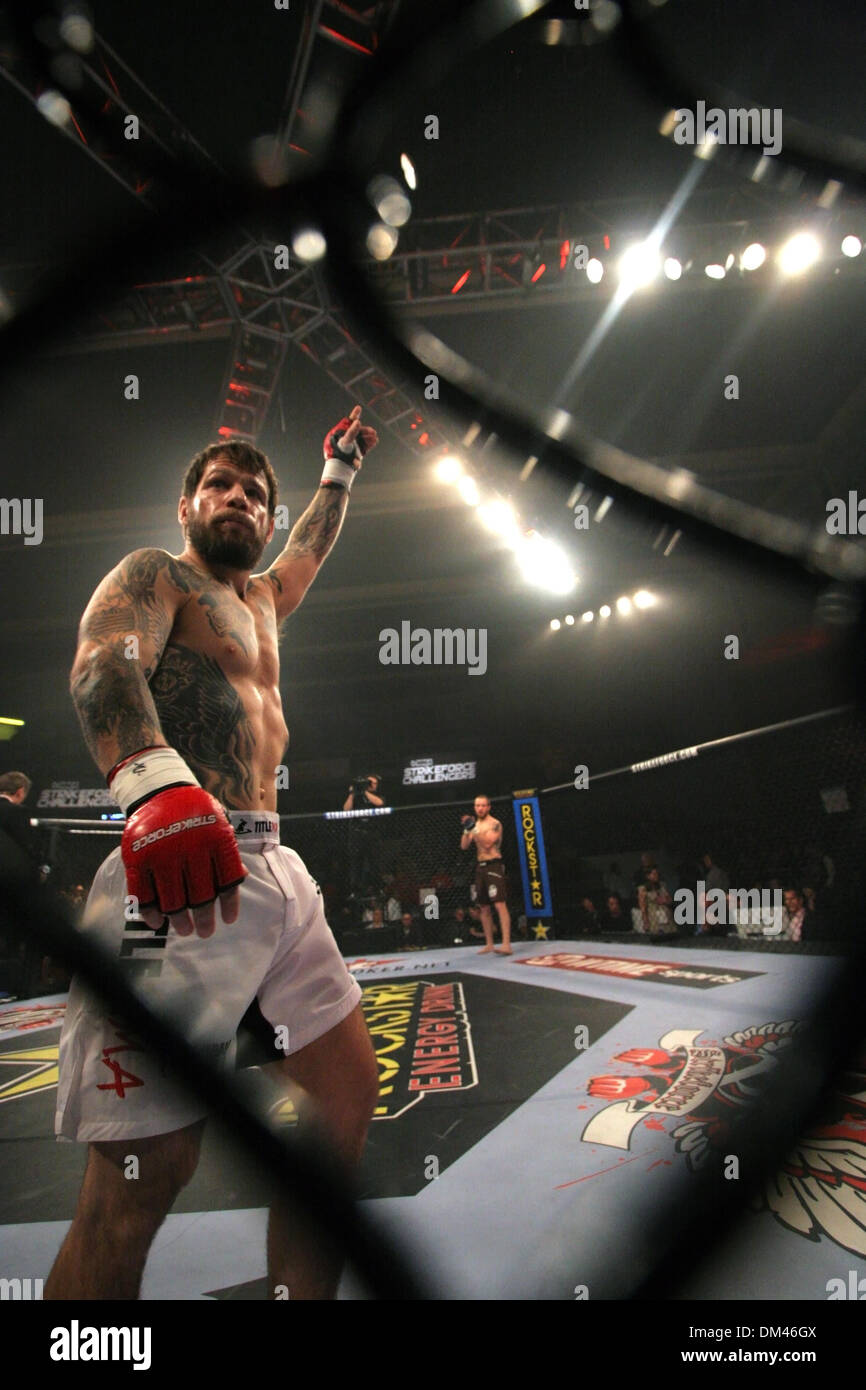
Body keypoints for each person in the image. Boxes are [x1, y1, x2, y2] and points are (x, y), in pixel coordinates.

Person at [47, 408, 381, 1302]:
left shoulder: (266, 599)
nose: (239, 498)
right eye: (220, 486)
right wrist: (154, 784)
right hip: (177, 866)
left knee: (345, 1094)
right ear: (187, 505)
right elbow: (102, 664)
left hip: (276, 869)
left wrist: (338, 473)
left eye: (255, 494)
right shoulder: (158, 577)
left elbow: (314, 545)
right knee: (141, 1180)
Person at [460, 795, 512, 955]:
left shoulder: (494, 824)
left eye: (483, 805)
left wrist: (474, 828)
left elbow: (488, 844)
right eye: (477, 806)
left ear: (489, 807)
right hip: (480, 866)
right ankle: (489, 944)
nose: (480, 808)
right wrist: (466, 829)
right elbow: (464, 846)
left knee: (499, 904)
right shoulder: (474, 825)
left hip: (493, 865)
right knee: (483, 907)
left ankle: (506, 944)